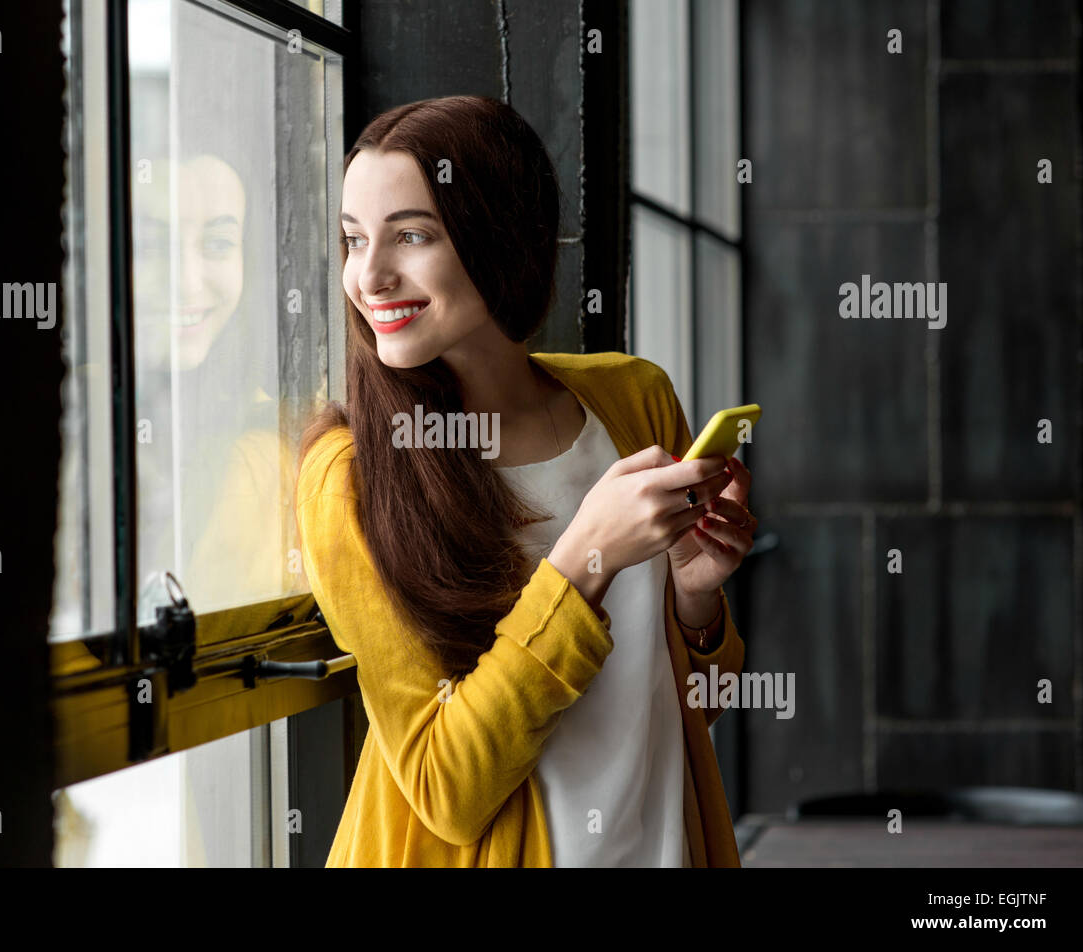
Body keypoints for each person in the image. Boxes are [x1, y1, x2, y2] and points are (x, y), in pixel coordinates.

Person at [295, 94, 757, 867]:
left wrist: (696, 596)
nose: (367, 275)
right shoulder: (347, 478)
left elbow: (692, 713)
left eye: (411, 235)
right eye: (352, 239)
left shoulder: (634, 398)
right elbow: (448, 789)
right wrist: (584, 560)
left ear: (501, 235)